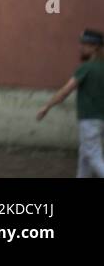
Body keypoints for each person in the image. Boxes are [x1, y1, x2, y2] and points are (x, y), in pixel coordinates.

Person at [36, 28, 104, 177]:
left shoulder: (85, 68)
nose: (81, 47)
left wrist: (47, 106)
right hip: (100, 119)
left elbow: (66, 91)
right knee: (85, 155)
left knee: (94, 157)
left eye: (85, 44)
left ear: (95, 47)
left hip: (89, 119)